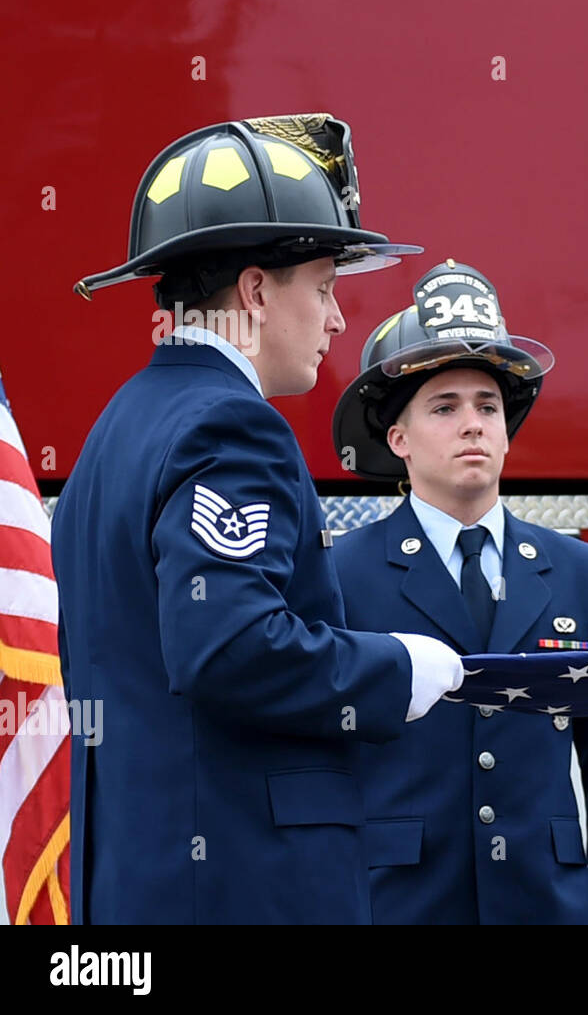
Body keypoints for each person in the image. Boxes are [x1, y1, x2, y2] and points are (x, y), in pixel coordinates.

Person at [53, 114, 464, 924]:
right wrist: (397, 670)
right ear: (253, 291)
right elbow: (231, 647)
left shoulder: (113, 432)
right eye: (323, 287)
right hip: (242, 886)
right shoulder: (230, 425)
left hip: (138, 885)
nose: (339, 320)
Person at [331, 259, 588, 924]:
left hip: (549, 908)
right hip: (397, 909)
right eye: (444, 408)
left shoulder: (583, 574)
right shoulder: (342, 575)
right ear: (400, 440)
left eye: (488, 407)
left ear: (507, 433)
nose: (473, 424)